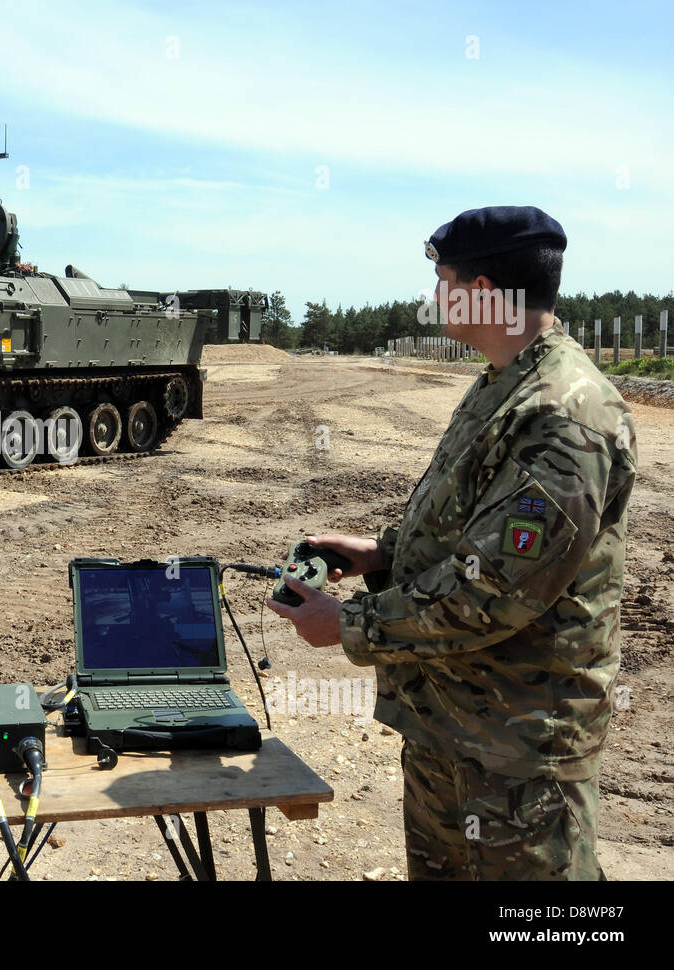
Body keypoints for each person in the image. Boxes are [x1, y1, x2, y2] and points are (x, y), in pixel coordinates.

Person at [267, 206, 636, 880]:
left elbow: (494, 593)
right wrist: (382, 554)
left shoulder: (563, 412)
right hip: (458, 731)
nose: (433, 298)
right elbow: (474, 529)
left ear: (485, 293)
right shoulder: (505, 383)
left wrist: (347, 623)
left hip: (518, 756)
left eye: (443, 282)